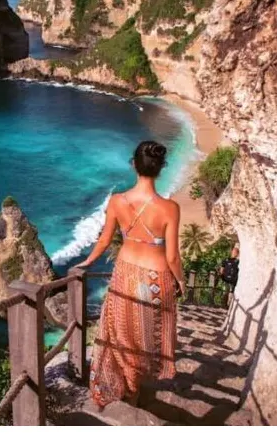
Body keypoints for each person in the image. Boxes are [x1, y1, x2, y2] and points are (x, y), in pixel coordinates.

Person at [76, 140, 186, 409]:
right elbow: (172, 257)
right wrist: (182, 281)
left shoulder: (117, 201)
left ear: (134, 164)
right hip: (157, 280)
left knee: (122, 334)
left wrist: (86, 262)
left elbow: (104, 241)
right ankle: (135, 388)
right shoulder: (170, 208)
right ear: (161, 168)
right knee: (147, 336)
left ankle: (126, 386)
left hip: (124, 275)